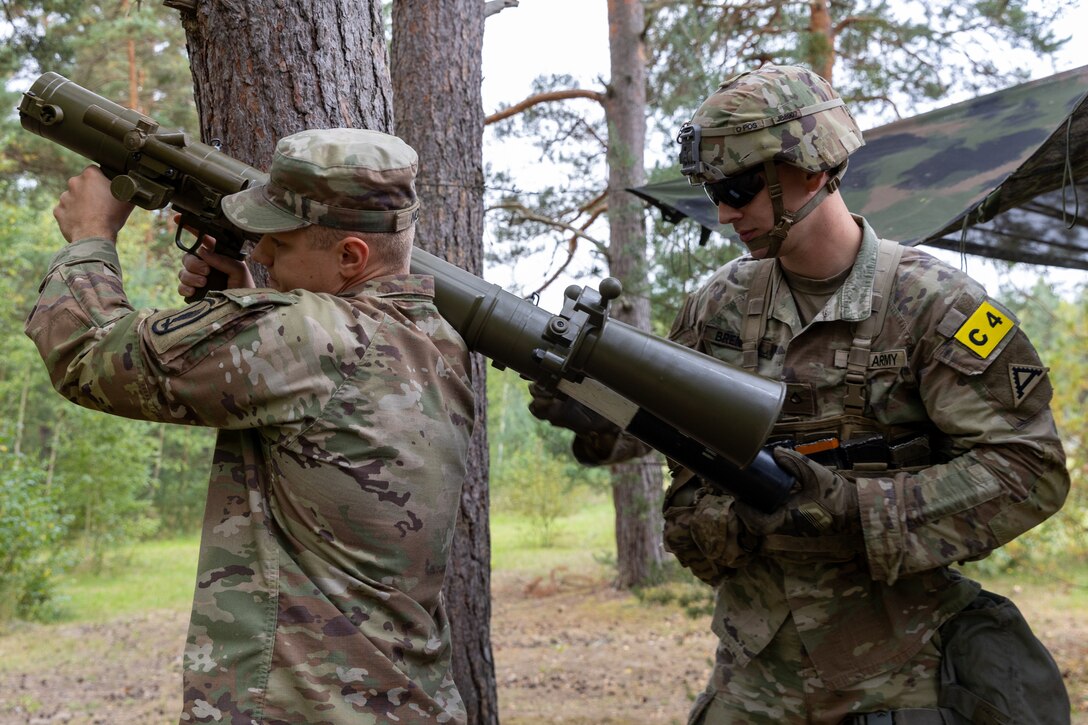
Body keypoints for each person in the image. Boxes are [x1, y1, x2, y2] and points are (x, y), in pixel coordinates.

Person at [531, 65, 1071, 724]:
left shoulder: (933, 305)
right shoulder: (717, 307)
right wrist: (606, 414)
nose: (725, 212)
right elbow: (680, 430)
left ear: (813, 169)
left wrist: (854, 507)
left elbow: (1029, 469)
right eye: (713, 191)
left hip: (897, 675)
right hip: (755, 673)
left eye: (738, 187)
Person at [26, 128, 475, 724]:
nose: (260, 256)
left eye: (280, 245)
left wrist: (90, 237)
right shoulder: (437, 341)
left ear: (350, 257)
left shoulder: (311, 338)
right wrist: (245, 305)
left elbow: (88, 355)